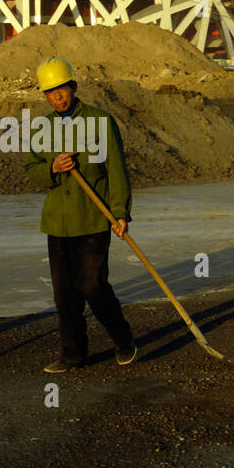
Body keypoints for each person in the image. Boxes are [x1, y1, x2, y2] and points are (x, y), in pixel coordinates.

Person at [22, 57, 136, 373]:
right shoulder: (41, 127)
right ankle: (72, 354)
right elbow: (31, 169)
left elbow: (117, 170)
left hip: (93, 219)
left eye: (62, 89)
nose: (57, 97)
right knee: (65, 295)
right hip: (58, 222)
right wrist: (52, 169)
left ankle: (124, 339)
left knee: (93, 286)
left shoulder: (101, 121)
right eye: (50, 92)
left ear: (73, 87)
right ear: (44, 96)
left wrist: (120, 212)